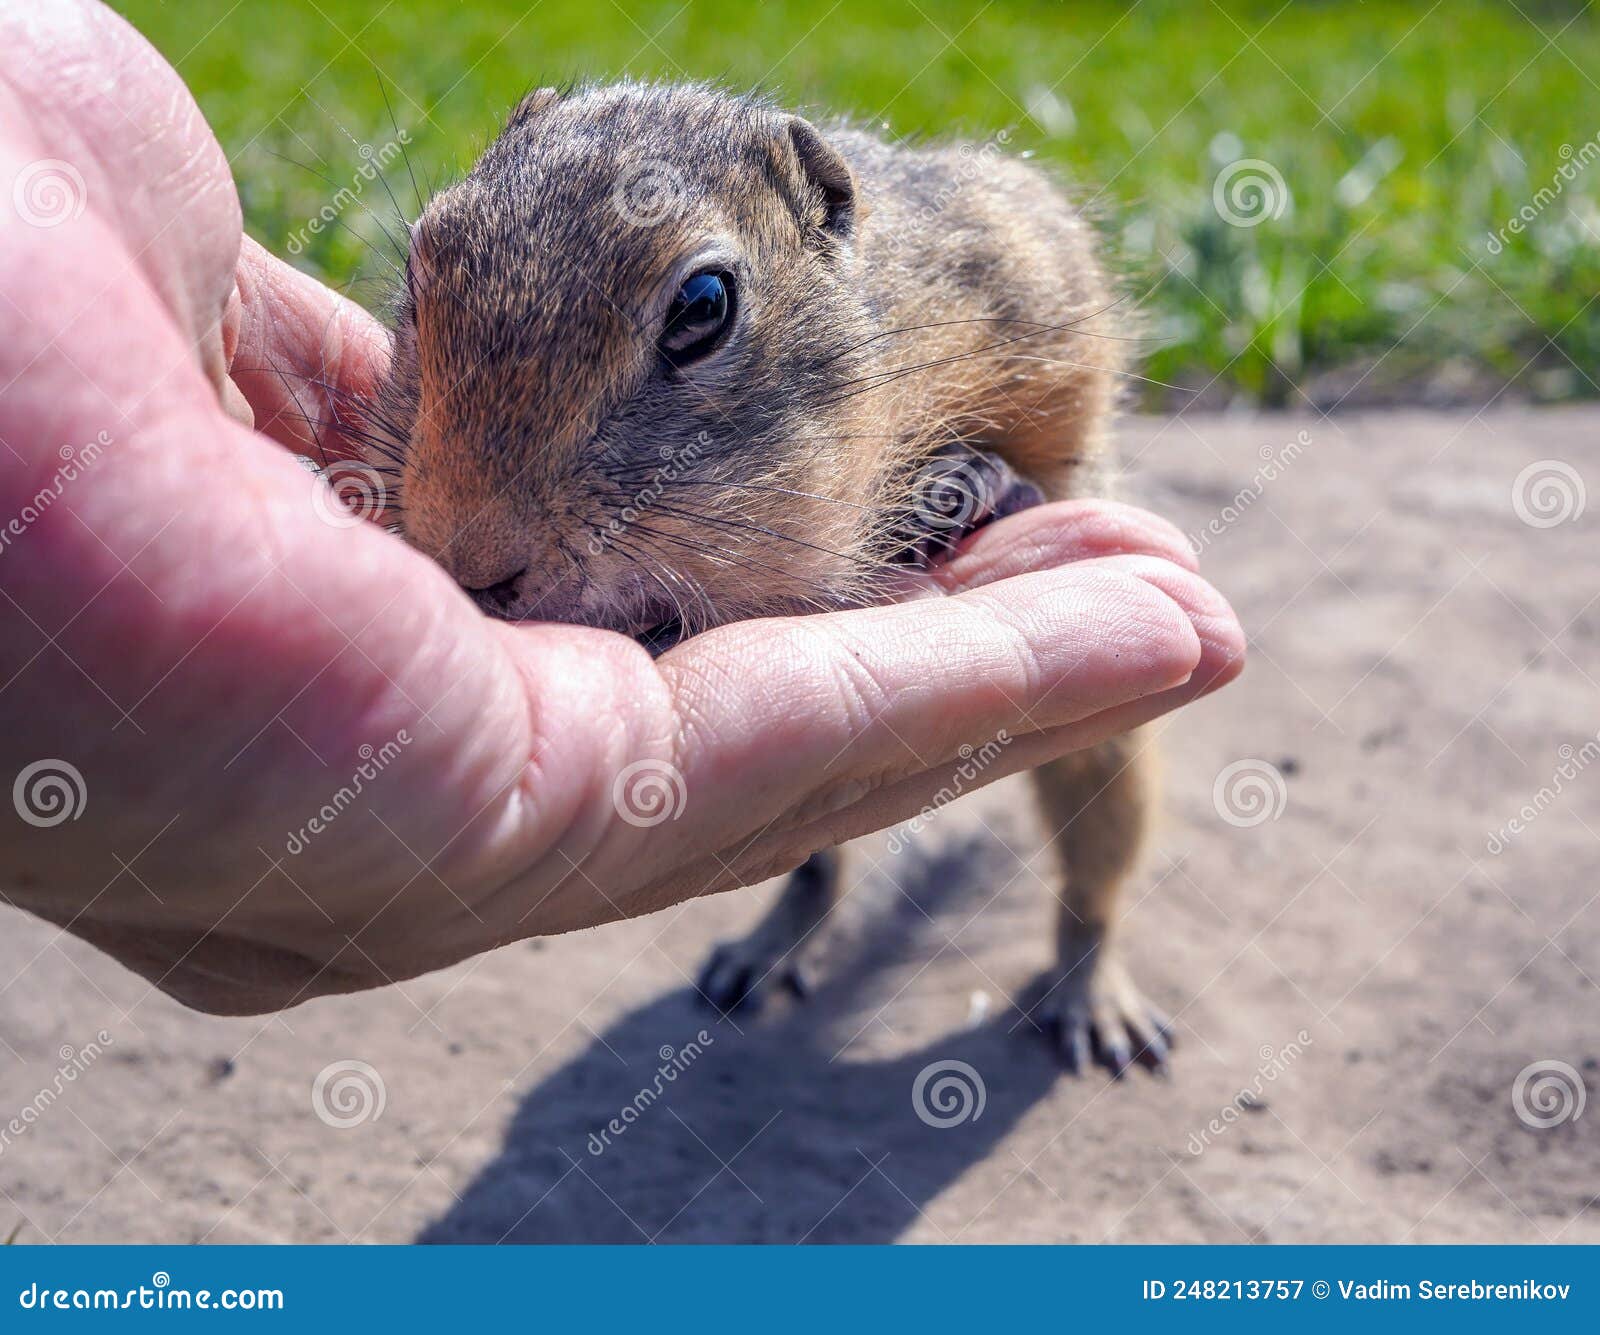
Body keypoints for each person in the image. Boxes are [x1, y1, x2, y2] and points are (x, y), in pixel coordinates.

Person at [0, 0, 1242, 1014]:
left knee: (1087, 710)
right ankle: (814, 889)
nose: (463, 544)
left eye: (698, 318)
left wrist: (1030, 473)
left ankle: (1090, 937)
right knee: (798, 732)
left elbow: (1059, 306)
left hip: (969, 435)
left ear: (819, 216)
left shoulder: (962, 257)